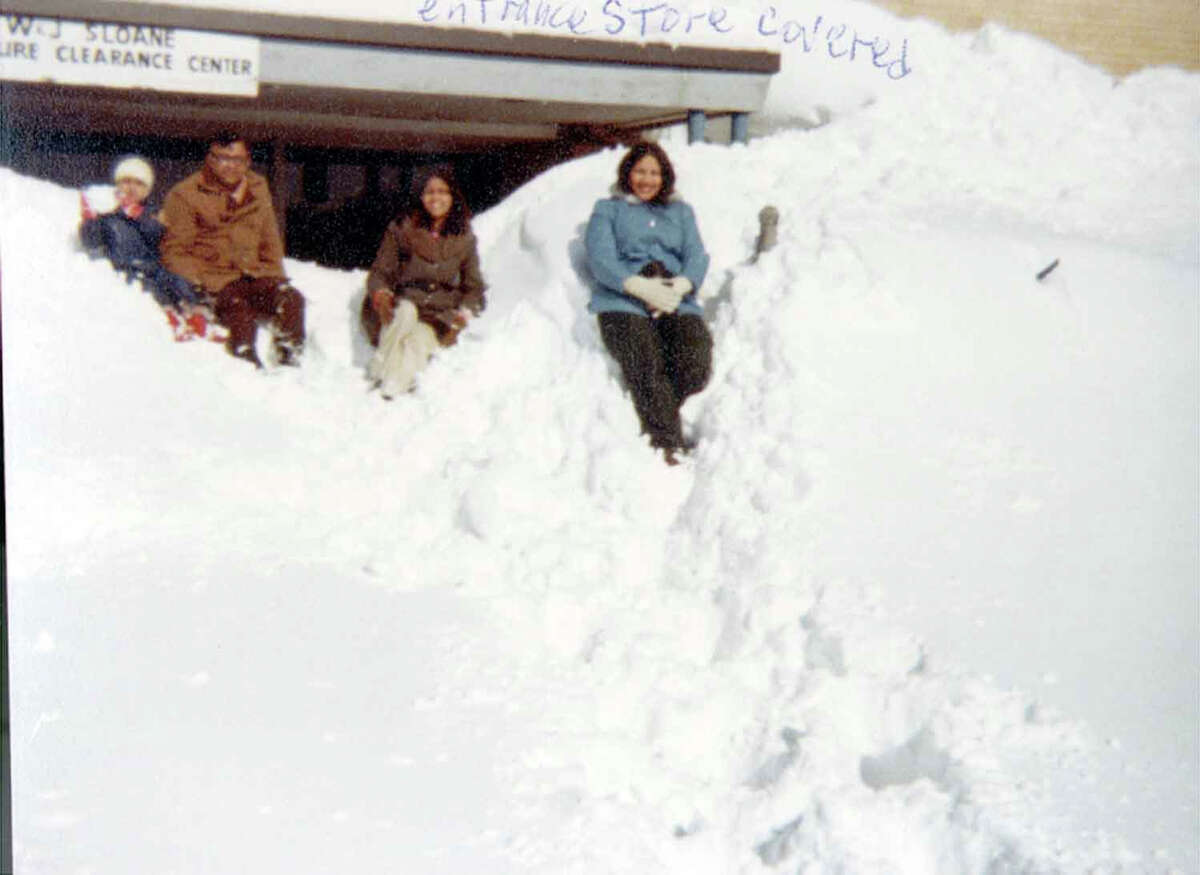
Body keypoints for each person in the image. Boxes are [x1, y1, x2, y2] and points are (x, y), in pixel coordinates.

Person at [584, 141, 712, 465]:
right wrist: (635, 285)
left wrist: (683, 283)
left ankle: (658, 406)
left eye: (654, 173)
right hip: (624, 297)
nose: (646, 179)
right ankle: (668, 442)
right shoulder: (607, 209)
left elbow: (697, 255)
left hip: (672, 294)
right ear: (627, 174)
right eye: (640, 171)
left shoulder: (681, 212)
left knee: (694, 362)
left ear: (665, 177)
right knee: (644, 359)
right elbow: (600, 258)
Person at [159, 132, 305, 368]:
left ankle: (290, 362)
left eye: (237, 160)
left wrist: (274, 275)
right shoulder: (186, 194)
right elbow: (175, 250)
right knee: (240, 314)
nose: (230, 166)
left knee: (290, 299)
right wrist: (198, 283)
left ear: (247, 162)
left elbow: (270, 239)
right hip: (217, 280)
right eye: (222, 158)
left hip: (255, 274)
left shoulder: (258, 188)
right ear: (210, 159)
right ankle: (246, 365)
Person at [360, 165, 486, 397]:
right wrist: (381, 294)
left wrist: (464, 314)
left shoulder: (465, 238)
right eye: (429, 192)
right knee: (406, 313)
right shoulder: (402, 228)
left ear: (452, 197)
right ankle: (380, 371)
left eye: (442, 191)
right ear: (420, 196)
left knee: (418, 342)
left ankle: (391, 389)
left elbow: (474, 286)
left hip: (436, 313)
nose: (435, 197)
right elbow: (380, 272)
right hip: (400, 304)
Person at [79, 155, 215, 341]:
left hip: (154, 266)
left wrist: (138, 215)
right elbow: (91, 242)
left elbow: (159, 234)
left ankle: (196, 317)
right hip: (128, 269)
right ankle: (171, 320)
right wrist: (91, 220)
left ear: (147, 189)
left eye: (138, 183)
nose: (131, 188)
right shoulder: (107, 215)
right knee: (152, 290)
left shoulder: (152, 213)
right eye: (126, 182)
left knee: (176, 281)